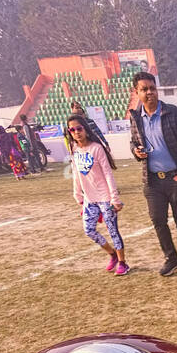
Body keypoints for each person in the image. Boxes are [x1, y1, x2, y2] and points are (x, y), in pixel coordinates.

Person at [128, 70, 177, 276]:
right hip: (152, 181)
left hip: (175, 177)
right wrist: (135, 151)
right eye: (144, 89)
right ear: (136, 92)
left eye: (152, 88)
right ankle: (171, 258)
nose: (150, 92)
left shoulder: (172, 112)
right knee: (158, 220)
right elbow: (133, 141)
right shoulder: (136, 117)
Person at [67, 114, 128, 275]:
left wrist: (114, 198)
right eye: (72, 130)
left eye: (79, 128)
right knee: (89, 230)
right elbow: (76, 173)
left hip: (105, 198)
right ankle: (112, 254)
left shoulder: (97, 148)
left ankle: (122, 262)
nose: (76, 132)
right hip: (90, 199)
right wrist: (77, 194)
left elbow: (108, 173)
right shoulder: (74, 149)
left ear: (85, 129)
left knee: (113, 230)